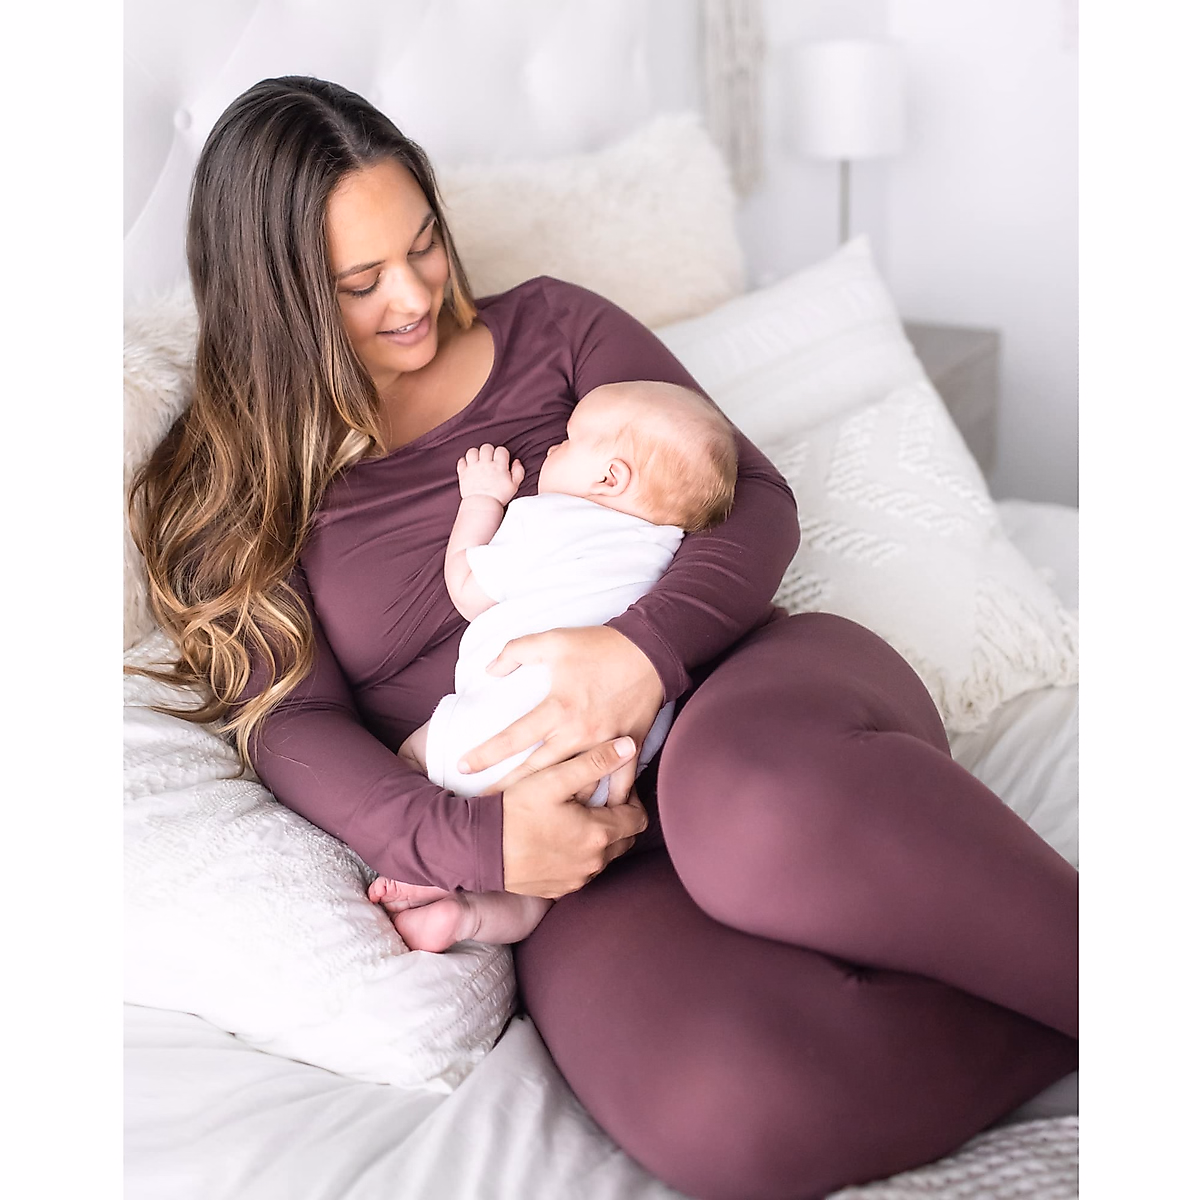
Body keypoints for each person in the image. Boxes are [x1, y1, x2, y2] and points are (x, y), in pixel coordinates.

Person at [128, 76, 1078, 1200]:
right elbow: (295, 725)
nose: (416, 296)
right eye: (360, 281)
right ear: (273, 297)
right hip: (572, 836)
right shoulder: (224, 486)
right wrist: (481, 846)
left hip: (749, 701)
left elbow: (755, 497)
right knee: (732, 1118)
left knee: (750, 815)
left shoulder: (555, 326)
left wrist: (640, 653)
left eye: (424, 245)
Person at [368, 380, 739, 952]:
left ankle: (425, 869)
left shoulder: (549, 518)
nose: (552, 450)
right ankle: (465, 918)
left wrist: (482, 501)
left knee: (413, 760)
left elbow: (468, 589)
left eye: (569, 440)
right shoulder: (670, 548)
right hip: (607, 768)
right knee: (542, 885)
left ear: (609, 478)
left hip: (497, 731)